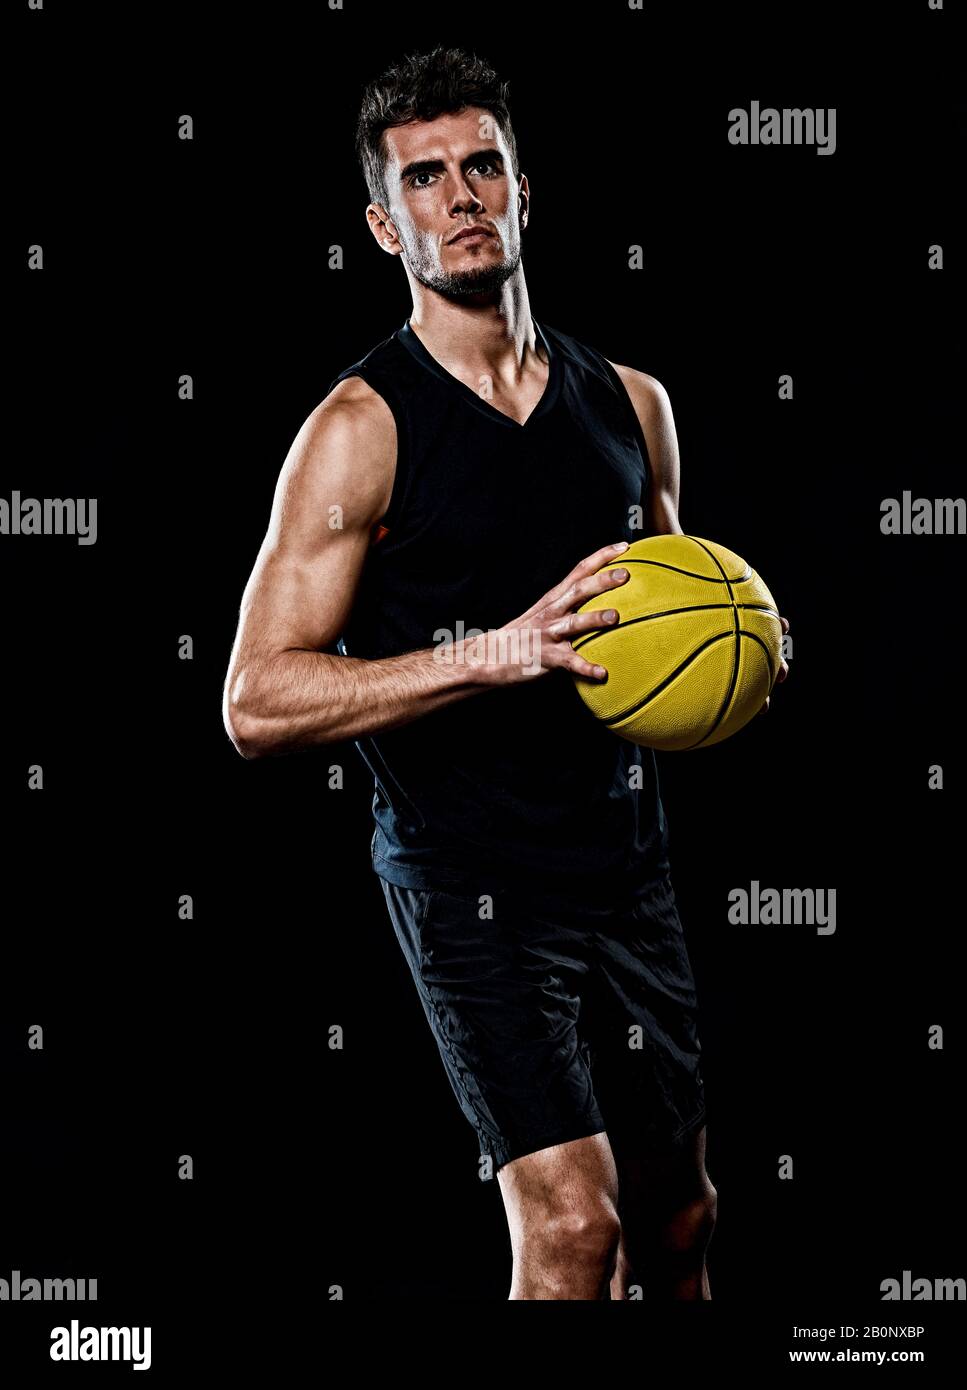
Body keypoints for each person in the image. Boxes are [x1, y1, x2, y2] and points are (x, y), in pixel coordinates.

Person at [223, 45, 788, 1300]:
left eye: (483, 166)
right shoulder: (359, 430)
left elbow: (663, 641)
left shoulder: (630, 404)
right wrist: (495, 654)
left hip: (620, 863)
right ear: (383, 223)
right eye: (424, 179)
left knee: (680, 1216)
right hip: (467, 875)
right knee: (574, 1229)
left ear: (525, 191)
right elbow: (256, 701)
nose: (460, 195)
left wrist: (738, 658)